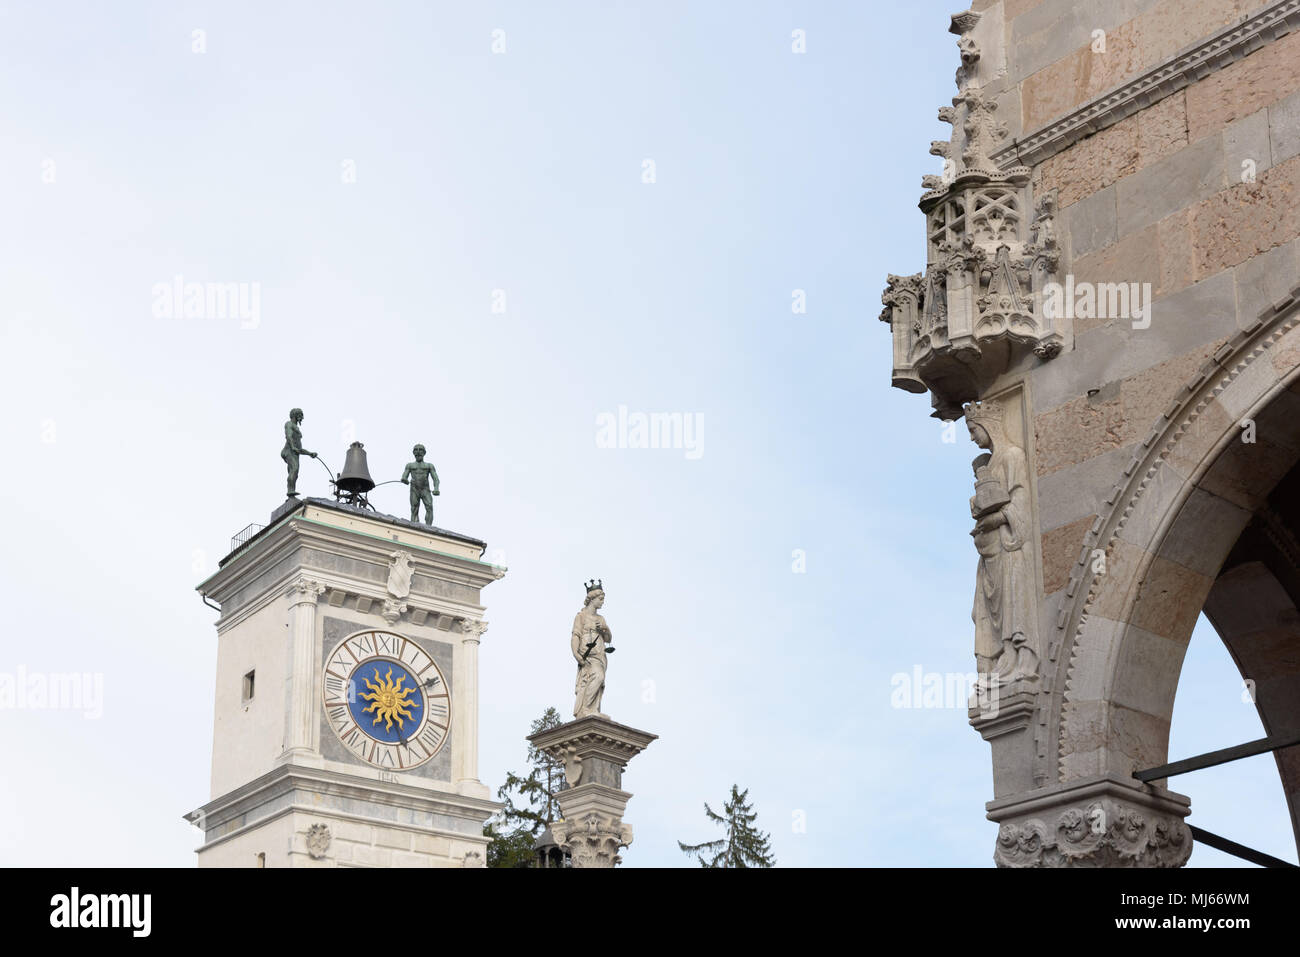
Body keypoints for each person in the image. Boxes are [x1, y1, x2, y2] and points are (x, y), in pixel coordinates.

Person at [572, 581, 614, 718]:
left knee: (599, 680)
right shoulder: (581, 616)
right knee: (597, 676)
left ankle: (592, 708)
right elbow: (575, 636)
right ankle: (586, 709)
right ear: (592, 599)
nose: (602, 603)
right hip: (587, 654)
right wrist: (576, 654)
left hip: (600, 654)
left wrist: (604, 629)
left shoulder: (601, 619)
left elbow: (608, 639)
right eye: (600, 599)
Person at [401, 444, 440, 524]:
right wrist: (404, 479)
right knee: (414, 508)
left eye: (420, 450)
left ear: (424, 452)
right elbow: (404, 476)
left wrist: (436, 488)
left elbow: (435, 478)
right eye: (416, 450)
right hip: (414, 489)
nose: (418, 452)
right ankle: (413, 526)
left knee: (429, 507)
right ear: (413, 453)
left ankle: (428, 527)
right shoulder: (410, 465)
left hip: (425, 489)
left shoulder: (429, 465)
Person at [282, 408, 317, 497]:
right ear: (296, 415)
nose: (302, 417)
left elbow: (300, 449)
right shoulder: (289, 424)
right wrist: (293, 447)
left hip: (294, 452)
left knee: (295, 473)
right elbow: (288, 436)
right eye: (300, 415)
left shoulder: (296, 428)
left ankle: (291, 490)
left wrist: (310, 453)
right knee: (294, 469)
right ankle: (290, 490)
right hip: (288, 451)